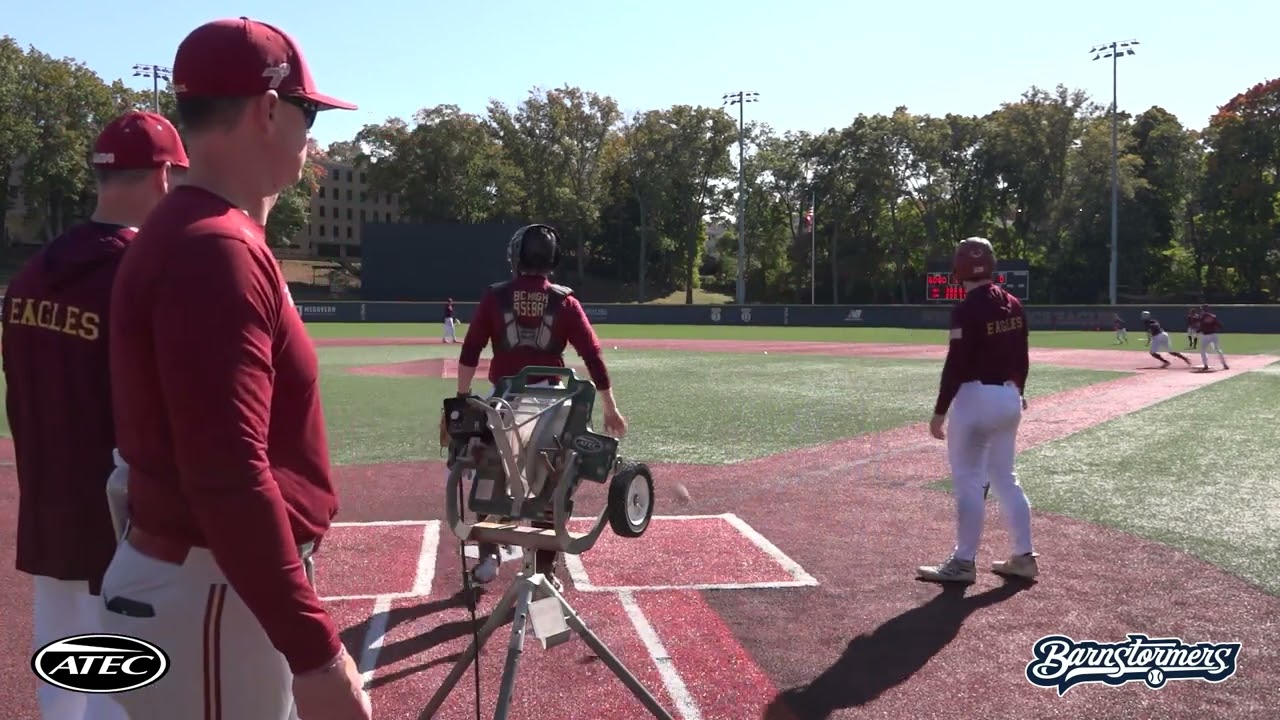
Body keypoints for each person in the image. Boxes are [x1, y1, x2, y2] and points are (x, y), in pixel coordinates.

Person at [98, 17, 371, 720]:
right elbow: (226, 471)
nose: (313, 135)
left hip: (205, 585)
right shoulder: (215, 248)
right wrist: (315, 654)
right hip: (212, 593)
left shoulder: (203, 231)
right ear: (269, 110)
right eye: (308, 113)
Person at [2, 110, 187, 720]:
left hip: (48, 516)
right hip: (119, 532)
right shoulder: (137, 275)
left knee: (62, 686)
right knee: (126, 695)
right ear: (163, 177)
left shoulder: (30, 276)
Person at [453, 224, 627, 588]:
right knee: (555, 480)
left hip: (506, 403)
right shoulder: (565, 302)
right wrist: (610, 406)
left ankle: (488, 557)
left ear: (517, 257)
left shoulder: (494, 297)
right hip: (554, 406)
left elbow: (470, 351)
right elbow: (592, 356)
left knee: (486, 466)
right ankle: (544, 569)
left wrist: (462, 398)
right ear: (552, 260)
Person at [917, 237, 1039, 584]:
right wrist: (1020, 391)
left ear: (958, 270)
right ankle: (1024, 556)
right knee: (1005, 479)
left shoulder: (966, 308)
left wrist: (940, 410)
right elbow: (1022, 357)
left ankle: (963, 562)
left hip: (975, 400)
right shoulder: (1014, 303)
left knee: (969, 482)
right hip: (1008, 397)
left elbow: (957, 362)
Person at [1196, 304, 1229, 371]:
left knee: (1203, 350)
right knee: (1218, 349)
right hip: (1214, 335)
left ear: (1203, 309)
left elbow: (1201, 325)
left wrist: (1197, 331)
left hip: (1205, 336)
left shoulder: (1202, 316)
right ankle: (1224, 364)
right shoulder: (1213, 316)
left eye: (1202, 309)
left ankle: (1205, 365)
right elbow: (1219, 325)